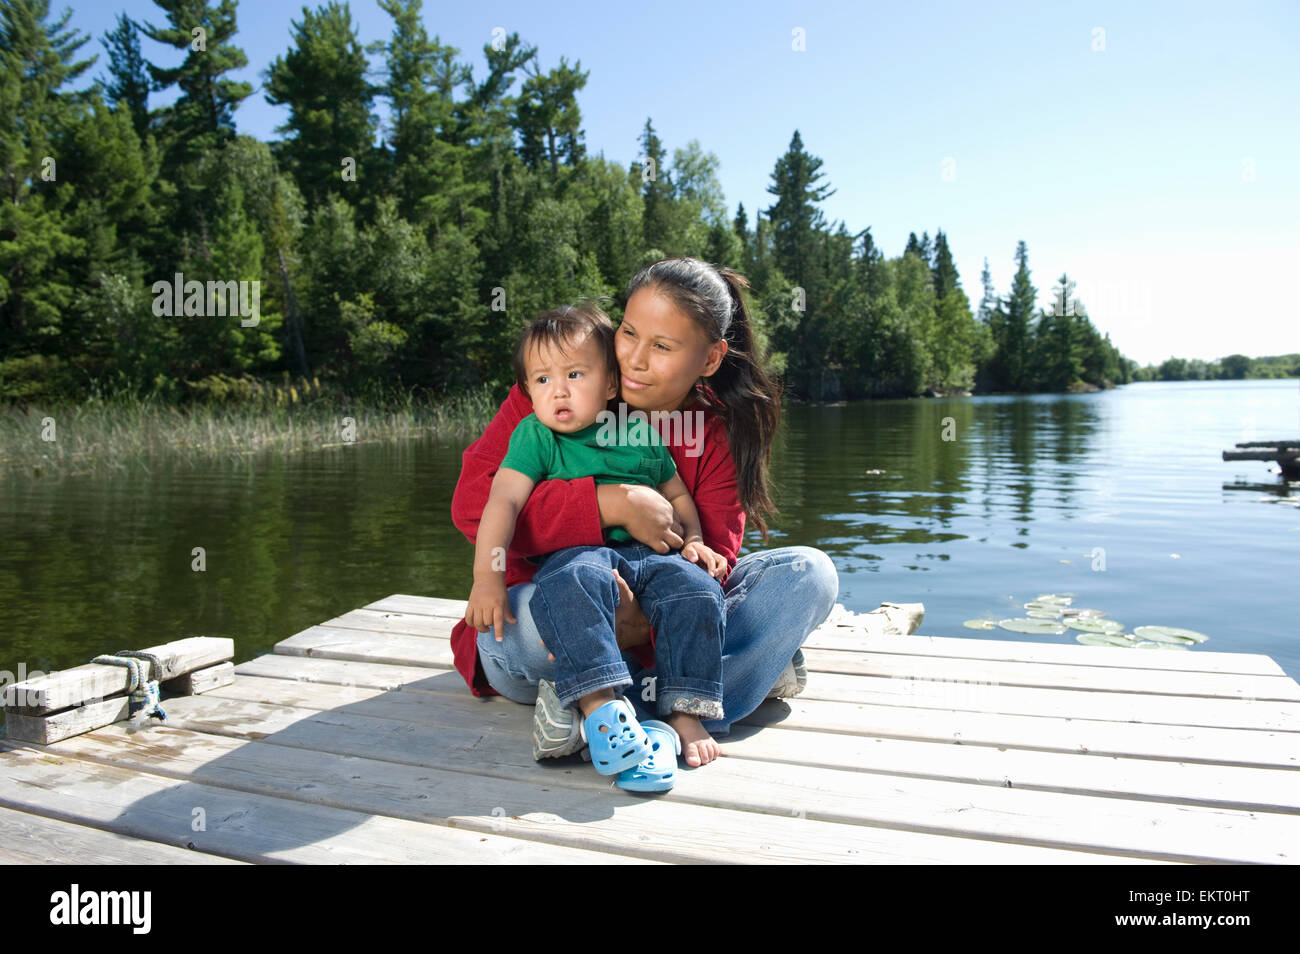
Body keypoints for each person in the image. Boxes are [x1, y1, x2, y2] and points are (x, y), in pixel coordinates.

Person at [448, 256, 840, 768]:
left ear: (710, 358)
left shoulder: (712, 431)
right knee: (517, 627)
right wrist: (609, 503)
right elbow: (476, 508)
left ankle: (598, 708)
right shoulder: (556, 389)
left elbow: (715, 558)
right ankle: (717, 684)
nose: (633, 358)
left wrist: (646, 615)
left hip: (666, 609)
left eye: (662, 346)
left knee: (809, 576)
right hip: (555, 610)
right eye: (628, 333)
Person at [463, 303, 731, 788]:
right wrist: (488, 577)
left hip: (650, 559)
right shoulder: (535, 435)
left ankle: (685, 710)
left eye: (573, 374)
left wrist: (694, 541)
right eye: (541, 380)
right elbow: (499, 503)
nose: (558, 390)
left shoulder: (637, 433)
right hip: (578, 557)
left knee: (696, 589)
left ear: (610, 384)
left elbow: (677, 495)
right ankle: (600, 705)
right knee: (568, 587)